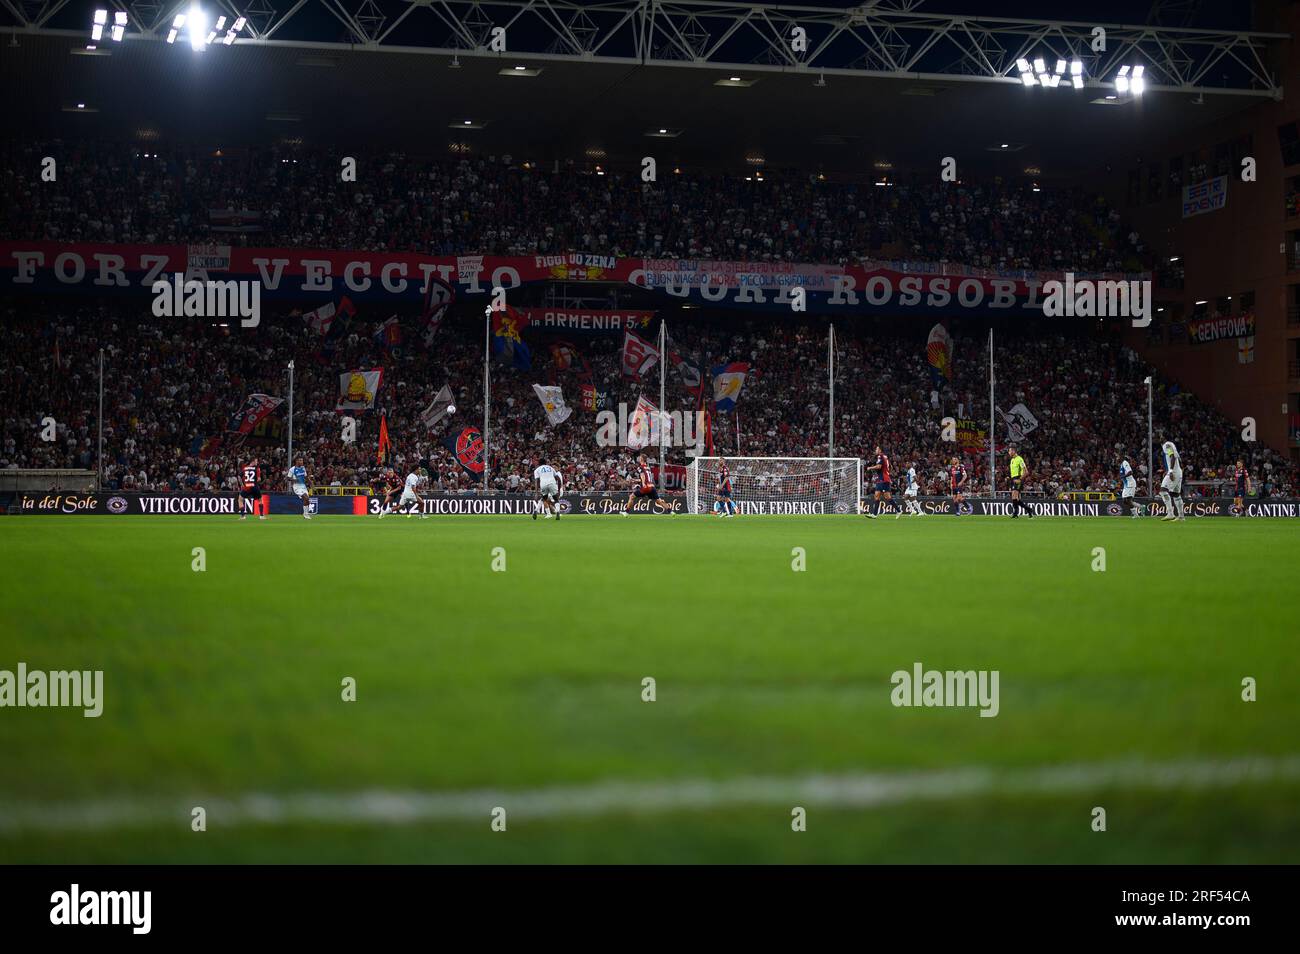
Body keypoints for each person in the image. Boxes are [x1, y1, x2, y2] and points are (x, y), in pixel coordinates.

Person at [863, 445, 893, 519]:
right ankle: (874, 514)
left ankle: (898, 510)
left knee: (887, 497)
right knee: (876, 496)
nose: (875, 450)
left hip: (883, 479)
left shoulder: (880, 456)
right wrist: (887, 472)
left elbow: (879, 467)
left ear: (880, 450)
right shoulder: (885, 457)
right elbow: (890, 467)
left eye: (876, 449)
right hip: (882, 478)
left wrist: (870, 468)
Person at [1158, 439, 1185, 522]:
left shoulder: (1167, 445)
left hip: (1174, 472)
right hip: (1178, 472)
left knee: (1163, 491)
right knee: (1175, 494)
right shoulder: (1172, 445)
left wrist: (1171, 471)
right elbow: (1179, 461)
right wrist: (1179, 471)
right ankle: (1181, 516)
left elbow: (1172, 456)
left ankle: (1170, 513)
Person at [1008, 445, 1032, 518]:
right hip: (1013, 479)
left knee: (1015, 496)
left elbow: (1026, 472)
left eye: (1009, 451)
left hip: (1018, 478)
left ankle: (1015, 513)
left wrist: (1020, 479)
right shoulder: (1012, 460)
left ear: (1013, 451)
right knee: (1015, 498)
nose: (1009, 452)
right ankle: (1028, 509)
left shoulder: (1020, 459)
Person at [239, 456, 265, 521]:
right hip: (254, 486)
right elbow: (259, 479)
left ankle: (243, 516)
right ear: (253, 461)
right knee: (260, 500)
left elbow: (239, 476)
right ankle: (261, 516)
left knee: (240, 500)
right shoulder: (257, 469)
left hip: (247, 487)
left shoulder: (245, 468)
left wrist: (242, 485)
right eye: (256, 461)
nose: (257, 462)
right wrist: (256, 480)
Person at [289, 455, 312, 520]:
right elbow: (287, 478)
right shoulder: (292, 469)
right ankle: (306, 514)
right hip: (296, 487)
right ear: (297, 461)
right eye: (300, 460)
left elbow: (306, 477)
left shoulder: (303, 468)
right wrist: (294, 480)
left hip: (303, 486)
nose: (302, 461)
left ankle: (305, 514)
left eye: (302, 460)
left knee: (307, 500)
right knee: (306, 497)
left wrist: (310, 483)